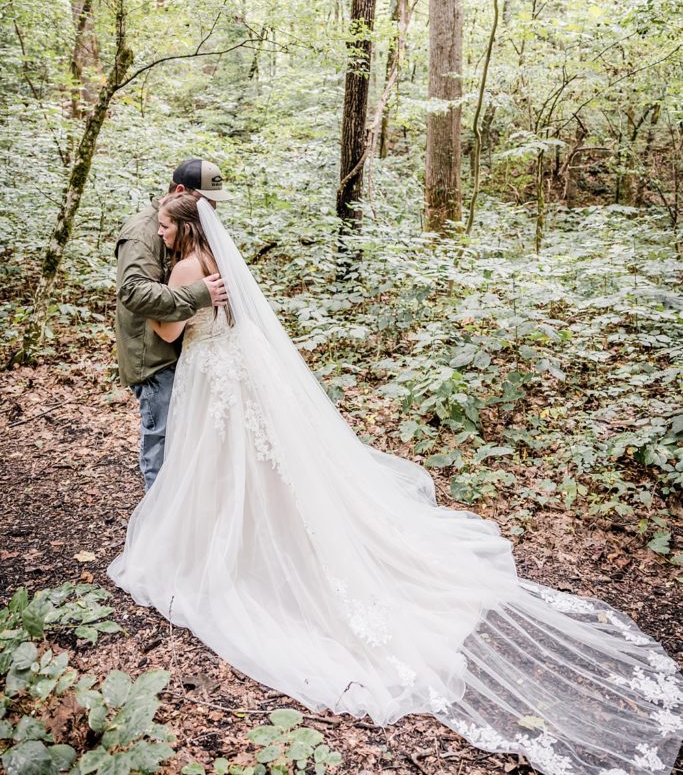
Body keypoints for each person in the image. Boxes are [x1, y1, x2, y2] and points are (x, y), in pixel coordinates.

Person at [109, 196, 683, 775]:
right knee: (257, 468)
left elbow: (171, 328)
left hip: (211, 374)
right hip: (240, 371)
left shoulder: (185, 269)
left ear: (186, 228)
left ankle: (226, 550)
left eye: (165, 223)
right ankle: (260, 535)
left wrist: (171, 313)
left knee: (220, 466)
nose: (157, 231)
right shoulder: (219, 258)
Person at [114, 160, 229, 490]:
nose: (213, 209)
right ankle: (158, 530)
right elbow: (134, 291)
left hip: (184, 353)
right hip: (154, 358)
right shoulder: (142, 232)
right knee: (162, 451)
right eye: (208, 201)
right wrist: (198, 293)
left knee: (184, 450)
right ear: (181, 192)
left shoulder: (192, 234)